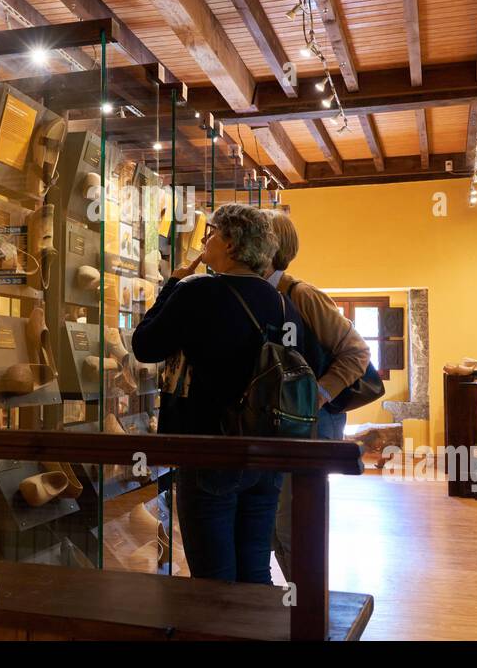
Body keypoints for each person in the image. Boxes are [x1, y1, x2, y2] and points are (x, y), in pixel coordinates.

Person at [131, 203, 325, 584]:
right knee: (253, 570)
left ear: (232, 242)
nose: (205, 241)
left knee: (214, 578)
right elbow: (310, 365)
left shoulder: (199, 292)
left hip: (209, 452)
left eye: (212, 232)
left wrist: (172, 283)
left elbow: (144, 345)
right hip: (267, 454)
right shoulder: (283, 303)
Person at [262, 210, 371, 579]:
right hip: (280, 426)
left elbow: (356, 351)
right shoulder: (262, 294)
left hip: (311, 425)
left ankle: (308, 613)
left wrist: (318, 395)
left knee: (294, 523)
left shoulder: (302, 294)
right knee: (277, 524)